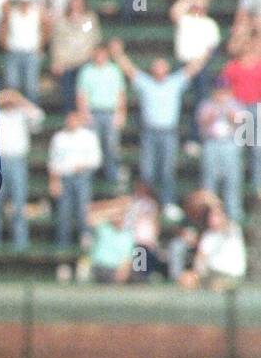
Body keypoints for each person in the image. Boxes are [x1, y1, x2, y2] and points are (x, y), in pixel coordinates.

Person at [110, 39, 208, 210]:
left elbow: (192, 69)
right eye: (156, 67)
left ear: (167, 69)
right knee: (147, 171)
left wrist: (206, 51)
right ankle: (145, 203)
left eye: (162, 67)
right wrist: (118, 54)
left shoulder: (174, 83)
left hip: (168, 132)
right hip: (150, 132)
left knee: (167, 171)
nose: (159, 70)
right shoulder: (146, 83)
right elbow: (130, 70)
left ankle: (167, 203)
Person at [0, 89, 44, 251]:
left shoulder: (22, 115)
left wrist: (18, 98)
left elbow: (39, 116)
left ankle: (20, 243)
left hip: (18, 162)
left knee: (19, 203)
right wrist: (1, 97)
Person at [48, 109, 102, 249]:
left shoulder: (89, 137)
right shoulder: (59, 137)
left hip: (82, 176)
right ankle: (62, 244)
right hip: (64, 177)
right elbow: (53, 162)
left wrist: (83, 165)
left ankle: (85, 238)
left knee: (83, 209)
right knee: (64, 212)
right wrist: (54, 181)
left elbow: (96, 159)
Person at [75, 44, 127, 189]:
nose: (99, 57)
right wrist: (84, 113)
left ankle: (113, 176)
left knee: (112, 146)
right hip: (93, 112)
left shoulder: (114, 70)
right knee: (91, 147)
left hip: (110, 112)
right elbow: (81, 94)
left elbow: (120, 93)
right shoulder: (86, 71)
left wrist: (121, 113)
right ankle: (89, 179)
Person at [197, 83, 246, 222]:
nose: (220, 95)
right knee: (209, 180)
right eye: (218, 91)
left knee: (232, 180)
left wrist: (231, 115)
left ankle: (233, 215)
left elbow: (244, 127)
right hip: (212, 142)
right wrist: (212, 115)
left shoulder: (236, 105)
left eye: (223, 91)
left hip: (229, 143)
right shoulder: (206, 105)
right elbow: (201, 123)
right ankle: (208, 215)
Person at [221, 31, 261, 197]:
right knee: (238, 147)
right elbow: (223, 87)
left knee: (257, 148)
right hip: (239, 107)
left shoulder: (259, 65)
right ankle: (235, 183)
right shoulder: (233, 66)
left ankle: (257, 183)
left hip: (255, 106)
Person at [50, 0, 103, 112]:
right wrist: (57, 61)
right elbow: (57, 42)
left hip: (85, 61)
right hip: (67, 63)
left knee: (84, 93)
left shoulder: (89, 20)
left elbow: (93, 38)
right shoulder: (61, 21)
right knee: (68, 94)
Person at [0, 0, 48, 101]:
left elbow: (46, 29)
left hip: (31, 52)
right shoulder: (11, 12)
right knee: (11, 84)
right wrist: (5, 44)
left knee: (31, 86)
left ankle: (33, 114)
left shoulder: (37, 12)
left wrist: (40, 45)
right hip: (14, 51)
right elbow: (3, 29)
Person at [180, 203, 247, 288]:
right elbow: (200, 257)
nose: (212, 219)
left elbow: (227, 228)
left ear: (223, 217)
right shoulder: (208, 236)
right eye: (210, 217)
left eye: (216, 216)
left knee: (217, 285)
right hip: (210, 274)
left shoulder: (233, 230)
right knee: (186, 279)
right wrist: (197, 273)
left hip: (230, 275)